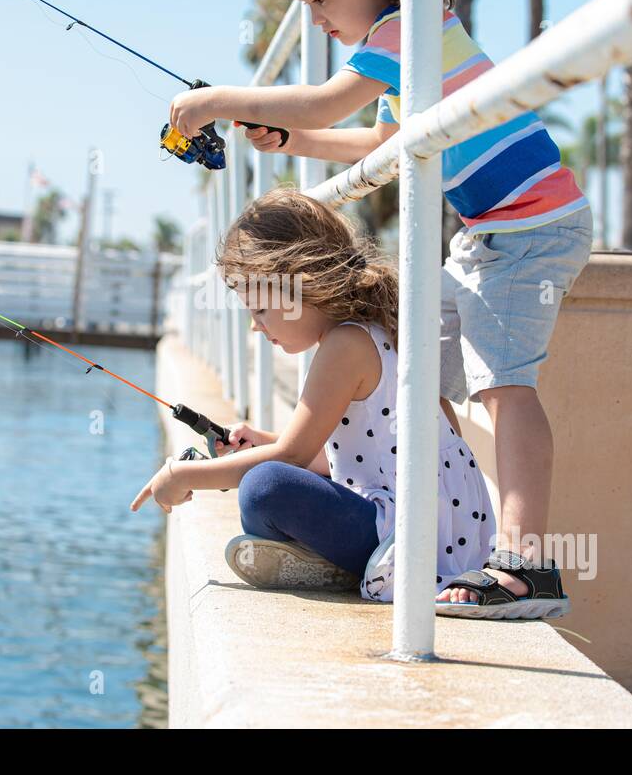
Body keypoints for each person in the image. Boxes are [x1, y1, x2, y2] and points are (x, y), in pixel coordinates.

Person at [164, 0, 588, 618]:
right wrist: (291, 140)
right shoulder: (405, 50)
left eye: (322, 2)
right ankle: (402, 510)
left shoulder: (408, 28)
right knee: (425, 368)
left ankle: (525, 566)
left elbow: (328, 99)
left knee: (504, 384)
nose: (319, 20)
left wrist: (220, 100)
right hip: (490, 231)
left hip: (528, 227)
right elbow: (381, 142)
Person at [131, 188, 499, 608]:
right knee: (268, 475)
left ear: (299, 286)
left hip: (413, 539)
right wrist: (264, 442)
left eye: (261, 311)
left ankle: (337, 566)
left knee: (264, 487)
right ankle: (333, 559)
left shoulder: (345, 345)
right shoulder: (375, 329)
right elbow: (361, 455)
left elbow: (292, 457)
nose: (256, 327)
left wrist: (181, 477)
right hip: (443, 528)